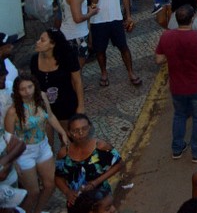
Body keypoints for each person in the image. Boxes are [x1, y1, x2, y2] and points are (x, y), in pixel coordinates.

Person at [156, 5, 197, 160]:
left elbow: (159, 59)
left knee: (179, 116)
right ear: (193, 18)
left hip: (177, 86)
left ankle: (177, 147)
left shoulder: (166, 36)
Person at [5, 74, 68, 213]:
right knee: (33, 192)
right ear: (17, 91)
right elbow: (9, 139)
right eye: (23, 89)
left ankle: (37, 211)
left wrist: (62, 132)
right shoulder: (13, 111)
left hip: (43, 146)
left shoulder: (42, 98)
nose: (27, 91)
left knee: (50, 184)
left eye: (30, 87)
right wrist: (14, 162)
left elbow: (50, 116)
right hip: (24, 153)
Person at [86, 0, 142, 88]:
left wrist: (128, 16)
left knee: (123, 47)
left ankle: (130, 72)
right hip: (98, 21)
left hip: (116, 18)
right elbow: (94, 0)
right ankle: (104, 73)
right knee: (100, 50)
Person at [53, 113, 123, 208]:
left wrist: (96, 182)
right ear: (69, 133)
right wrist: (67, 192)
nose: (81, 133)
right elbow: (58, 177)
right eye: (76, 130)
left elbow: (119, 164)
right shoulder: (64, 153)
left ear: (89, 128)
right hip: (78, 200)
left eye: (84, 128)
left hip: (101, 198)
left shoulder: (100, 146)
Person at [30, 29, 84, 122]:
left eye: (42, 40)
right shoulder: (34, 60)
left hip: (66, 103)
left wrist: (81, 106)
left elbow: (77, 81)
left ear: (52, 44)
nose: (37, 42)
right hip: (44, 105)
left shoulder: (68, 57)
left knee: (66, 134)